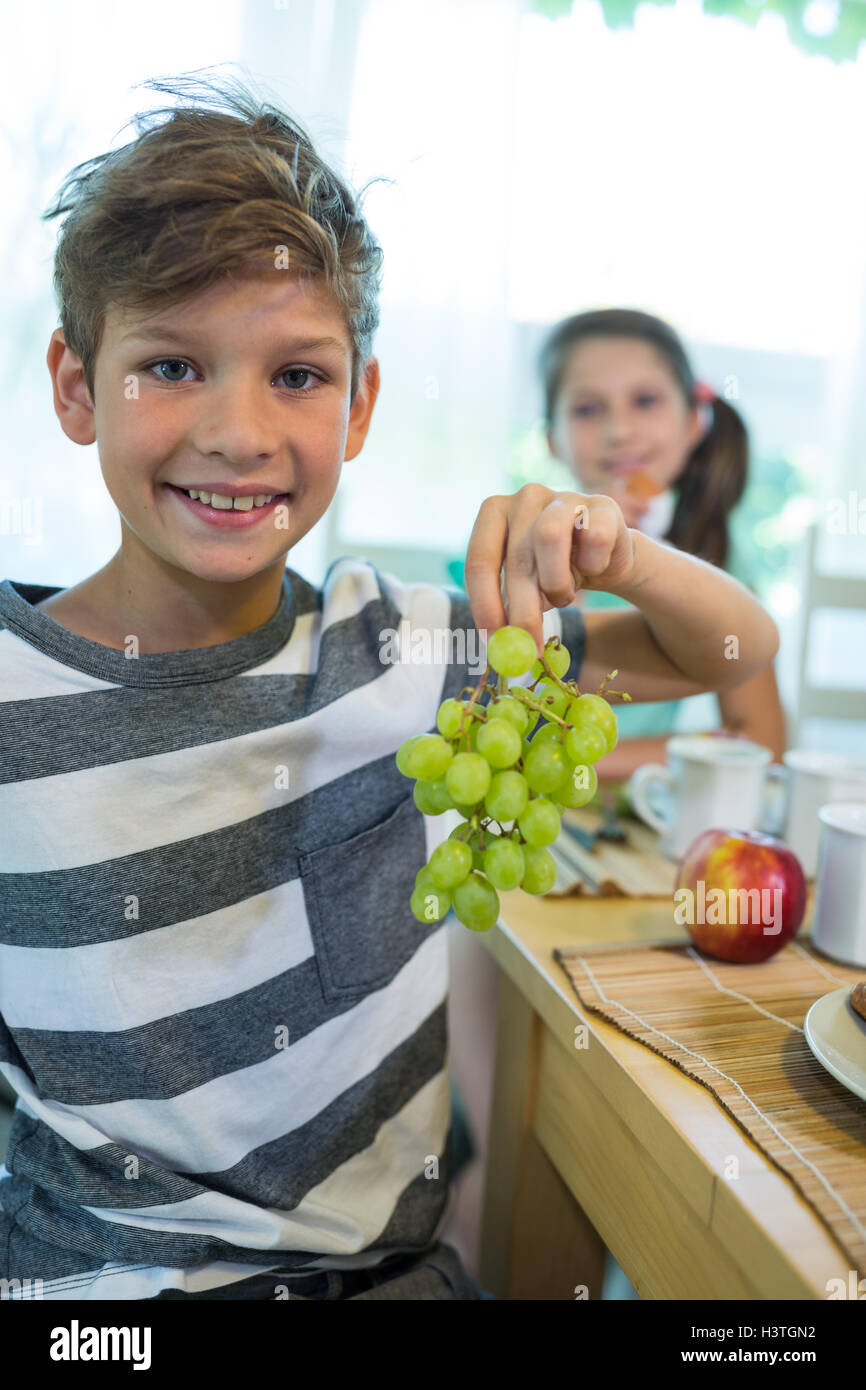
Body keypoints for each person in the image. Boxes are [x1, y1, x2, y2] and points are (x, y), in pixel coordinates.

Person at [0, 73, 779, 1301]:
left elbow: (727, 654)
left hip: (383, 1278)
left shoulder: (399, 646)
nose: (240, 432)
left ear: (359, 402)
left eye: (297, 376)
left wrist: (620, 551)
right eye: (172, 366)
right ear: (76, 386)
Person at [538, 309, 786, 782]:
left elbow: (761, 741)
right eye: (588, 409)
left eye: (645, 401)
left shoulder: (717, 562)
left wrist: (570, 763)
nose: (619, 430)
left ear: (695, 422)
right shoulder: (517, 547)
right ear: (552, 439)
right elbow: (509, 691)